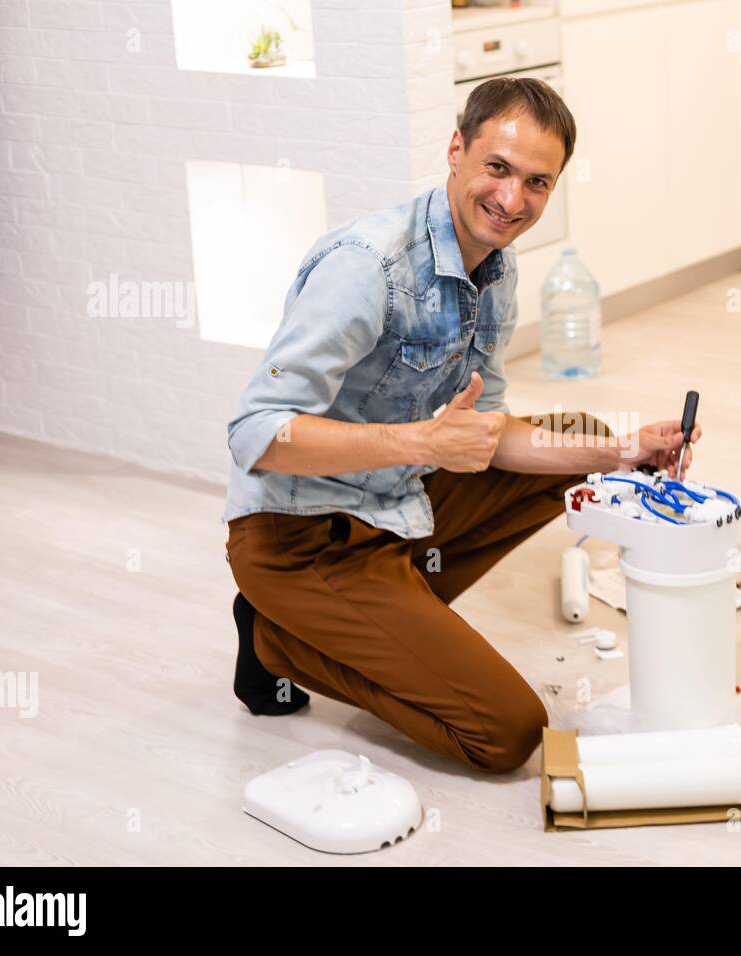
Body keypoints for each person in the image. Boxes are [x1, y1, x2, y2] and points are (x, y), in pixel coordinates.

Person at [222, 78, 701, 773]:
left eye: (537, 182)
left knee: (579, 436)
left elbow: (487, 432)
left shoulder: (495, 270)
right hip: (301, 537)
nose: (513, 200)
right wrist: (421, 441)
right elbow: (254, 437)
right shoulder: (368, 268)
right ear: (456, 149)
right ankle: (279, 643)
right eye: (498, 169)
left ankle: (378, 616)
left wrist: (625, 452)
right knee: (506, 732)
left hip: (393, 506)